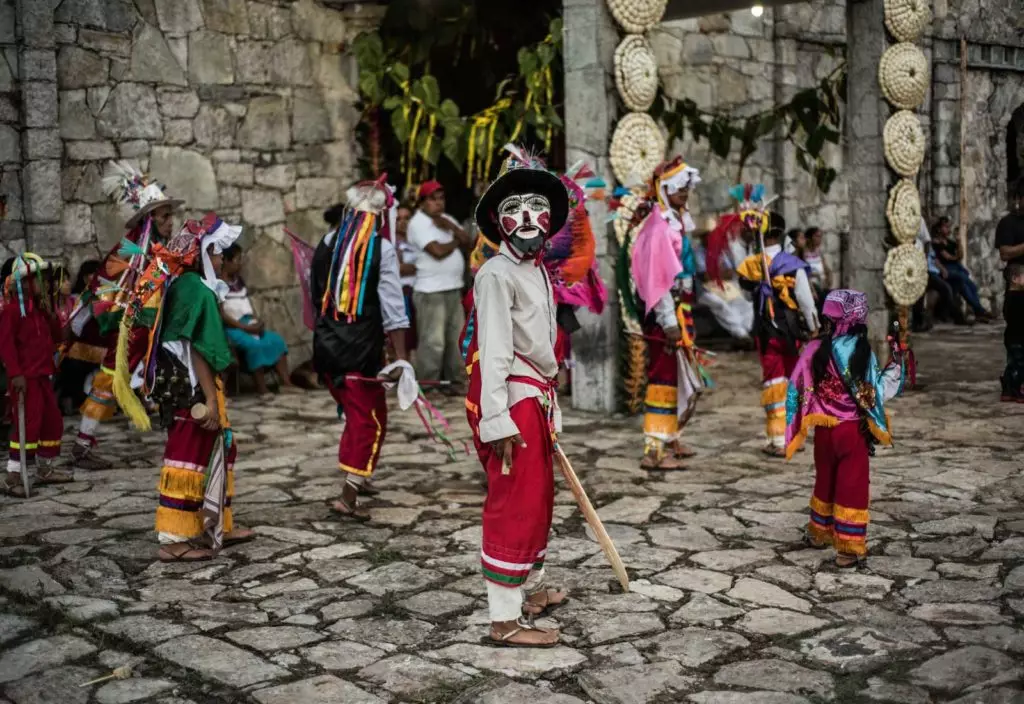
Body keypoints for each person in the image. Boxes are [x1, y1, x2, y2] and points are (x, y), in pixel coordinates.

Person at [461, 145, 569, 648]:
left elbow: (540, 344)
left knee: (539, 498)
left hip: (535, 399)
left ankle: (530, 589)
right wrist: (497, 420)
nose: (527, 218)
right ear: (498, 222)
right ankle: (504, 620)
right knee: (515, 502)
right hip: (512, 402)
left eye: (535, 206)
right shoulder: (496, 274)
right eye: (513, 209)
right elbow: (496, 353)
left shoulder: (537, 270)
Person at [114, 214, 250, 561]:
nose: (220, 258)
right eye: (217, 252)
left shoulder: (185, 286)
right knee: (187, 456)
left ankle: (216, 521)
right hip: (190, 388)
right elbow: (199, 351)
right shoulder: (197, 292)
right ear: (203, 253)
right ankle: (174, 539)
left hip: (186, 385)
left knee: (218, 448)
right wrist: (209, 397)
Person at [69, 162, 182, 470]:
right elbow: (105, 291)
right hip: (127, 332)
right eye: (164, 216)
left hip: (152, 330)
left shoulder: (158, 252)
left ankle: (181, 442)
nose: (171, 222)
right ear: (149, 220)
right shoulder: (129, 251)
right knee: (108, 380)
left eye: (171, 215)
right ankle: (82, 443)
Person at [785, 289, 907, 568]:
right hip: (851, 432)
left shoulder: (814, 349)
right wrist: (896, 364)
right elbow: (873, 393)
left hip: (824, 432)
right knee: (851, 487)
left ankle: (818, 534)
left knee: (825, 481)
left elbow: (797, 385)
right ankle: (847, 550)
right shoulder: (860, 351)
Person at [311, 178, 410, 521]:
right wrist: (401, 359)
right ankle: (349, 495)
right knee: (368, 421)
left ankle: (359, 475)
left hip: (327, 347)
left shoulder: (326, 242)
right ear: (380, 215)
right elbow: (394, 308)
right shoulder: (380, 250)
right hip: (359, 350)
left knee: (362, 415)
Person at [630, 157, 708, 471]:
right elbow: (657, 279)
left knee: (676, 375)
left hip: (680, 309)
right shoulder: (659, 229)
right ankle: (653, 449)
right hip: (666, 314)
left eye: (688, 186)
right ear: (665, 189)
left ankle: (671, 436)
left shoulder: (670, 222)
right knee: (662, 377)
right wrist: (669, 321)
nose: (686, 192)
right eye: (680, 187)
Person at [730, 189, 819, 457]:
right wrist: (814, 326)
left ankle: (778, 439)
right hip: (792, 333)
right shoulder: (793, 264)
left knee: (773, 383)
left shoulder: (752, 265)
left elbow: (746, 293)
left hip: (766, 332)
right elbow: (805, 299)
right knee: (794, 381)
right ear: (780, 234)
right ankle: (794, 436)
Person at [0, 254, 75, 497]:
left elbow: (57, 337)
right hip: (25, 378)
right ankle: (13, 474)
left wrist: (56, 318)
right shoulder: (11, 311)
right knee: (27, 423)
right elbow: (6, 346)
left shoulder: (40, 310)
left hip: (43, 375)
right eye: (35, 280)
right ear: (21, 284)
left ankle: (45, 467)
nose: (42, 284)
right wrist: (15, 373)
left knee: (52, 421)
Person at [407, 180, 471, 390]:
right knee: (433, 342)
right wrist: (455, 242)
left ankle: (452, 382)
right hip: (430, 290)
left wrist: (452, 227)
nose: (438, 203)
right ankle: (427, 383)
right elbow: (437, 252)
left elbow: (468, 241)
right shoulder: (418, 223)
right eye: (433, 199)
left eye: (441, 198)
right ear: (422, 203)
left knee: (455, 339)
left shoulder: (446, 219)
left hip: (453, 287)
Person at [219, 244, 299, 398]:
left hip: (248, 323)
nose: (240, 263)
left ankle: (285, 383)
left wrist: (256, 323)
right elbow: (222, 315)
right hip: (233, 328)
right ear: (226, 262)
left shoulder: (238, 281)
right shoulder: (219, 285)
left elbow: (245, 304)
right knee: (253, 345)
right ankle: (262, 389)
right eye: (236, 259)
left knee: (276, 341)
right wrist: (245, 328)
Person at [57, 260, 103, 413]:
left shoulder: (106, 296)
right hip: (78, 348)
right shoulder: (78, 299)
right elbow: (75, 328)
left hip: (99, 347)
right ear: (84, 278)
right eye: (93, 274)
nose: (97, 277)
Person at [694, 231, 754, 342]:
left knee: (743, 302)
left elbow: (730, 273)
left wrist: (716, 273)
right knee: (720, 305)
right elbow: (706, 277)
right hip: (705, 291)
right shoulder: (698, 252)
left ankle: (746, 331)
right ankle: (740, 334)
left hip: (725, 286)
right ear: (703, 238)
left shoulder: (720, 251)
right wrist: (720, 272)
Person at [933, 216, 993, 323]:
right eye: (945, 227)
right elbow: (947, 257)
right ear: (939, 228)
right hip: (945, 269)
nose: (948, 229)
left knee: (966, 286)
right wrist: (956, 257)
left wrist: (959, 241)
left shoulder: (950, 242)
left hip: (955, 267)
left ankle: (978, 311)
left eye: (948, 227)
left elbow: (960, 255)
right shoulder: (936, 242)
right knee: (963, 277)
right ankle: (980, 310)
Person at [997, 178, 1024, 399]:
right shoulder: (1008, 223)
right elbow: (1005, 253)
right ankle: (1011, 383)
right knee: (1016, 337)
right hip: (1018, 289)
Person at [395, 202, 419, 355]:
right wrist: (419, 266)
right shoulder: (390, 243)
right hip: (400, 295)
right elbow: (398, 269)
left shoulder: (418, 241)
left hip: (418, 293)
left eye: (407, 218)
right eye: (398, 219)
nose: (403, 222)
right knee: (401, 341)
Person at [1001, 263, 1024, 402]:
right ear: (1015, 279)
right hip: (1020, 337)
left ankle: (1007, 389)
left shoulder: (1008, 296)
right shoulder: (1020, 296)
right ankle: (1018, 389)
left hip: (1011, 336)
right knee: (1021, 365)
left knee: (1012, 363)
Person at [803, 227, 832, 300]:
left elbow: (825, 267)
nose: (820, 239)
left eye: (820, 237)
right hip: (812, 285)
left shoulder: (818, 251)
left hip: (822, 284)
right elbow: (803, 272)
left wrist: (829, 275)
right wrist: (816, 275)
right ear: (809, 238)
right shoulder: (803, 253)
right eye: (817, 236)